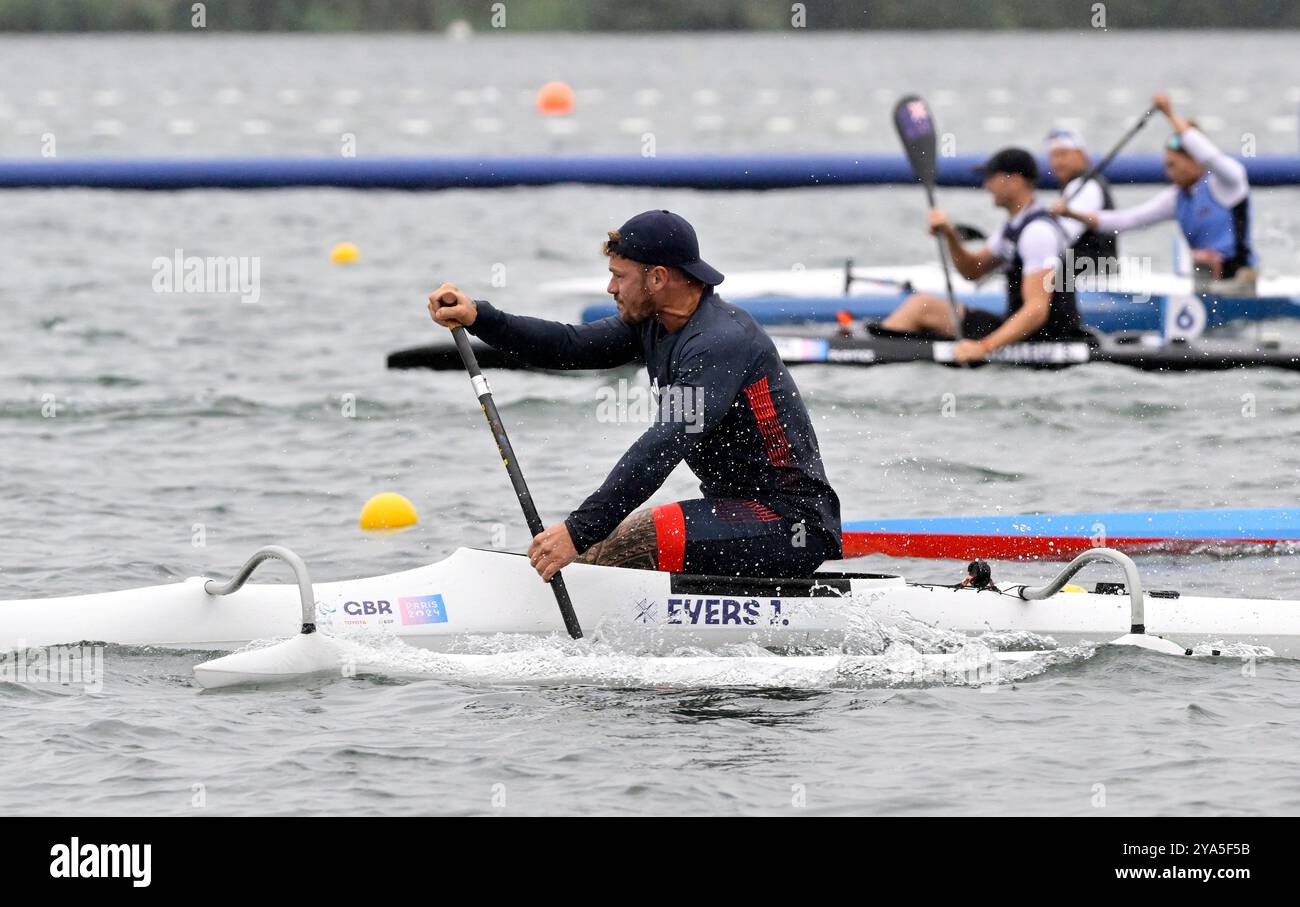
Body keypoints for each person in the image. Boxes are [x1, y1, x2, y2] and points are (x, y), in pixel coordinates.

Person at [427, 209, 842, 581]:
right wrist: (480, 316)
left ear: (657, 277)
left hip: (790, 523)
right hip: (736, 513)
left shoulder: (721, 342)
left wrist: (577, 530)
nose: (610, 287)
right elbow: (568, 346)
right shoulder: (655, 324)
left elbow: (663, 445)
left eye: (619, 275)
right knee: (603, 546)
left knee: (629, 539)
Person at [875, 147, 1083, 362]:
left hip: (1045, 337)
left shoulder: (1037, 232)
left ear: (1015, 180)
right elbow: (972, 271)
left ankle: (876, 358)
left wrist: (984, 347)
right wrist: (950, 235)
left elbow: (1037, 310)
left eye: (992, 178)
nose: (986, 186)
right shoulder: (1013, 228)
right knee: (920, 305)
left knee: (920, 307)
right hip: (1019, 328)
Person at [1053, 93, 1256, 295]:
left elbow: (1210, 156)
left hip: (1239, 282)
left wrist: (1170, 114)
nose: (1169, 173)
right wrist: (1072, 214)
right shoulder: (1176, 197)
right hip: (1205, 280)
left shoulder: (1228, 181)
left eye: (1173, 165)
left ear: (1195, 160)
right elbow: (1127, 221)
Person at [1044, 126, 1118, 280]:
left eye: (1063, 154)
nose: (1057, 162)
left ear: (1081, 155)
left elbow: (1060, 239)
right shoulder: (1078, 185)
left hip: (1092, 280)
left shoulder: (1087, 187)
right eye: (1053, 156)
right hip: (1089, 275)